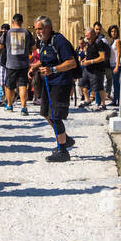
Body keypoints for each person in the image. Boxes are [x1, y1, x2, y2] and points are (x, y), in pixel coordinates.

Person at [33, 16, 79, 162]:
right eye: (36, 29)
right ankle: (66, 139)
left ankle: (63, 151)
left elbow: (72, 63)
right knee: (45, 113)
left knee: (55, 116)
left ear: (48, 28)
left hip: (61, 83)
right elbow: (48, 58)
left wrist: (53, 70)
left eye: (39, 29)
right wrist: (35, 66)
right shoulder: (43, 42)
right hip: (49, 82)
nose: (37, 32)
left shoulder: (59, 41)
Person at [0, 13, 34, 114]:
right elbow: (33, 48)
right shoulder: (27, 33)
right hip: (24, 63)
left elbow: (0, 47)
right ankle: (23, 107)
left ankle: (10, 105)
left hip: (11, 63)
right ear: (22, 22)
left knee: (10, 86)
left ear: (12, 21)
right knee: (23, 85)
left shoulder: (7, 33)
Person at [105, 24, 121, 107]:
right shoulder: (112, 41)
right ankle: (115, 100)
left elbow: (119, 54)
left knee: (116, 83)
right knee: (114, 83)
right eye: (112, 31)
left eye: (115, 31)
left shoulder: (118, 41)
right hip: (111, 64)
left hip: (116, 64)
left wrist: (116, 66)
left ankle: (117, 101)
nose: (113, 33)